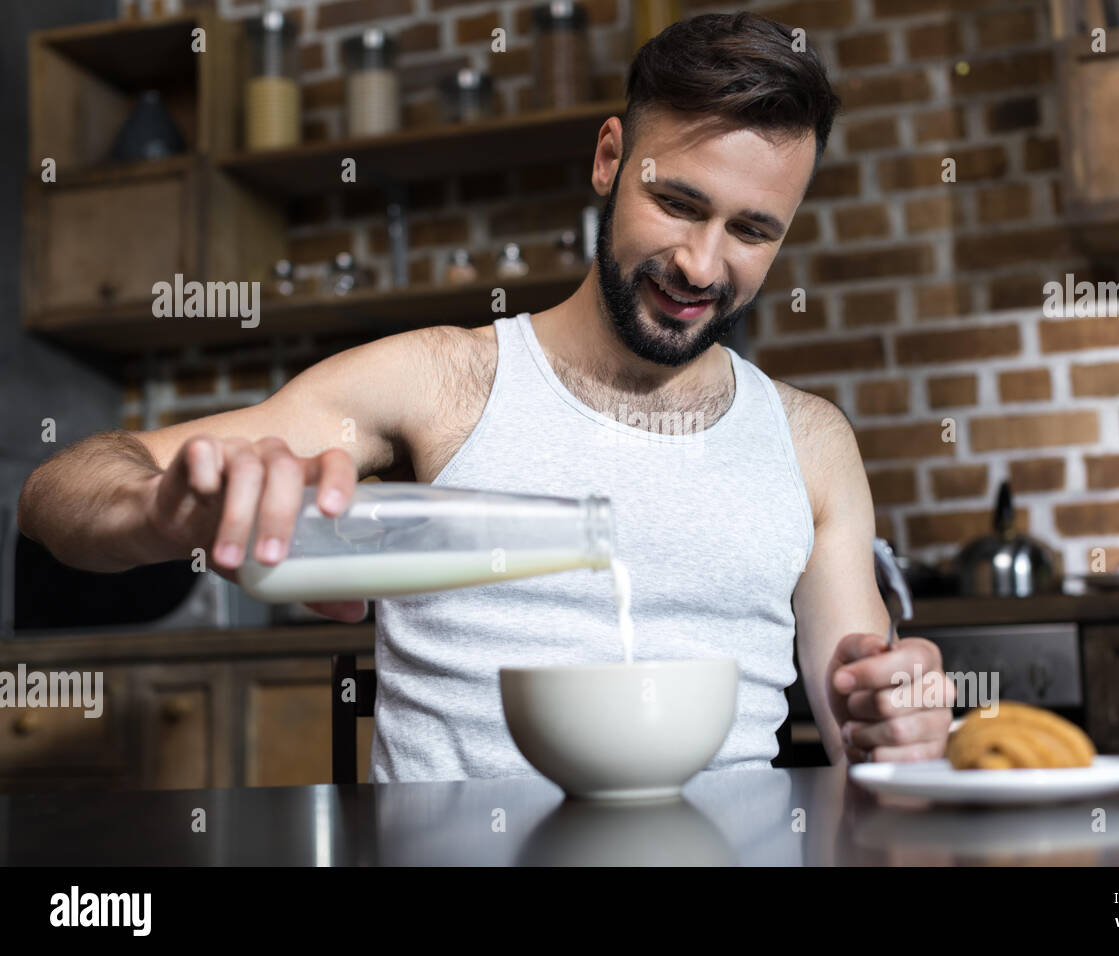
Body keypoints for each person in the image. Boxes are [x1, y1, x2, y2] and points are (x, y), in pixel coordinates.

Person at [18, 11, 952, 782]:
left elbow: (868, 737)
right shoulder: (441, 380)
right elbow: (57, 493)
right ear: (610, 160)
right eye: (677, 203)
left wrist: (898, 725)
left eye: (752, 231)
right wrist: (163, 509)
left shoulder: (810, 441)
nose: (702, 266)